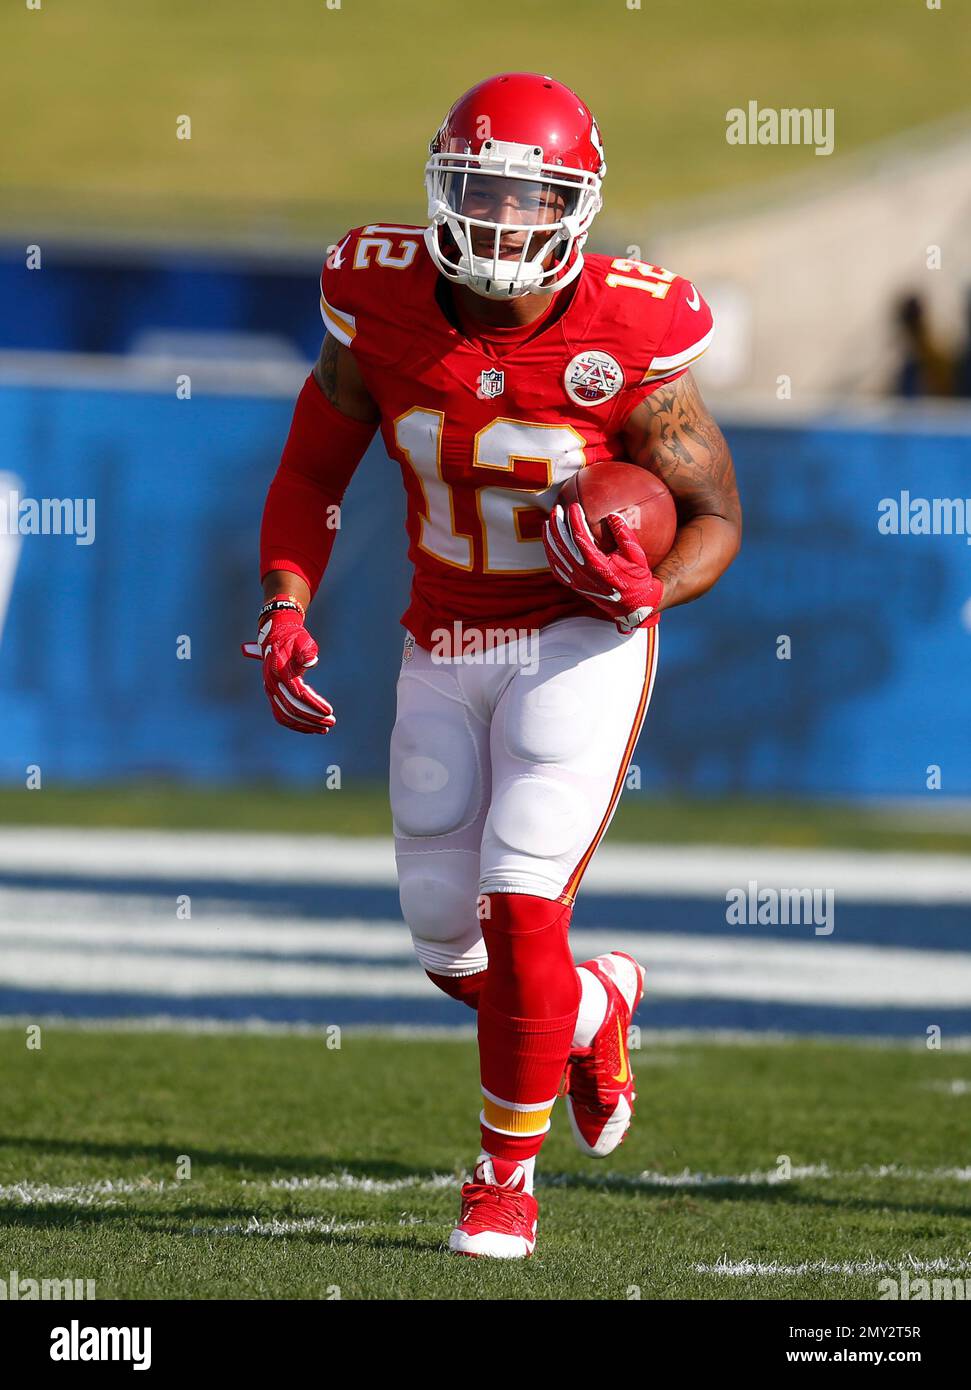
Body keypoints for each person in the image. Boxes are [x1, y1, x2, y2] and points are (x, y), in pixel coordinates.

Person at [244, 72, 741, 1258]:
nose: (505, 219)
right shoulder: (376, 292)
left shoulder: (628, 328)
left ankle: (500, 1180)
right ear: (438, 187)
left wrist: (646, 586)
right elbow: (313, 470)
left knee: (521, 904)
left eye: (532, 196)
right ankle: (594, 1002)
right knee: (448, 945)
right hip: (441, 633)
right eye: (479, 189)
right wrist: (284, 603)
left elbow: (714, 514)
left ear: (575, 203)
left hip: (579, 638)